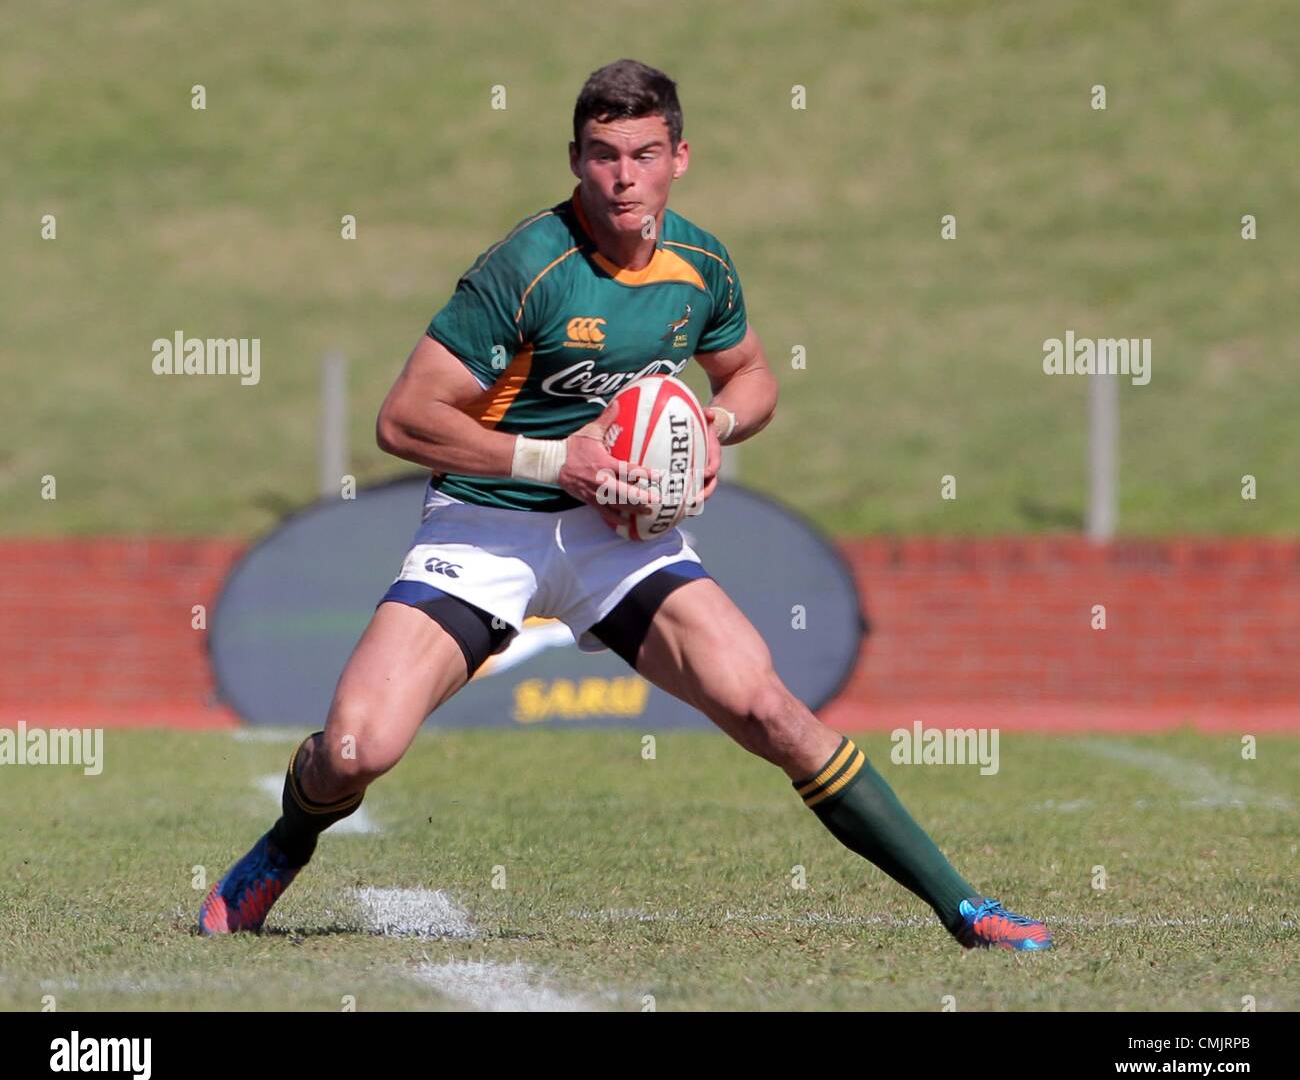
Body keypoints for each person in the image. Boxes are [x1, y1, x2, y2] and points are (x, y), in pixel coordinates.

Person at [200, 58, 1051, 953]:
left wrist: (716, 424)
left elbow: (752, 375)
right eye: (603, 155)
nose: (622, 177)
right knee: (352, 753)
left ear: (680, 156)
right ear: (574, 159)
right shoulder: (526, 268)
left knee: (769, 709)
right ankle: (285, 844)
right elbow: (403, 419)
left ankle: (965, 909)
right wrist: (555, 460)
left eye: (644, 154)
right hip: (489, 528)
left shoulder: (703, 263)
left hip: (622, 540)